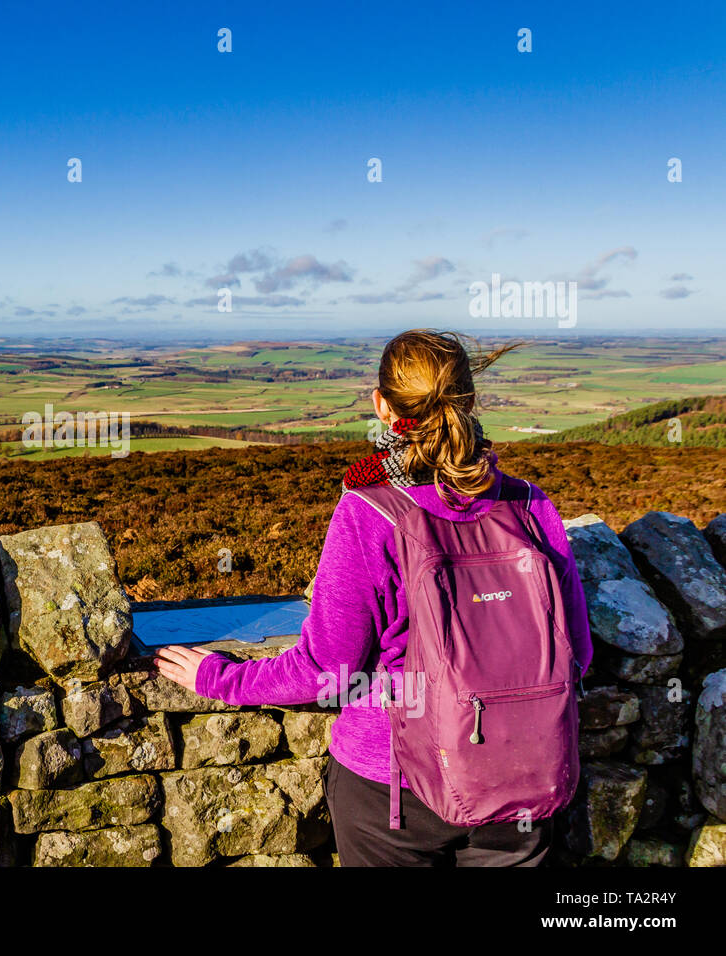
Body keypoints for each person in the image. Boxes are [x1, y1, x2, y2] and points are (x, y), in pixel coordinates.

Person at [154, 329, 592, 866]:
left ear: (382, 406)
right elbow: (578, 654)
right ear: (469, 400)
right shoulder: (529, 504)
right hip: (524, 778)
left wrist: (216, 677)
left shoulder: (371, 511)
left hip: (394, 791)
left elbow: (325, 669)